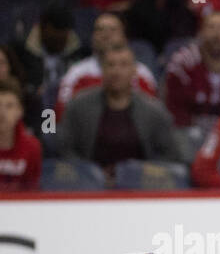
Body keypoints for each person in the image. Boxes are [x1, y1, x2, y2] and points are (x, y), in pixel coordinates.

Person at [60, 43, 181, 178]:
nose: (116, 71)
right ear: (102, 69)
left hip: (140, 188)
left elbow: (169, 155)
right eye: (110, 65)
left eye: (123, 65)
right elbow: (66, 150)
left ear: (134, 70)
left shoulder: (155, 112)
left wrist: (140, 174)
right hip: (88, 187)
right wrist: (90, 174)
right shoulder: (78, 106)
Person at [163, 9, 220, 129]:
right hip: (189, 133)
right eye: (211, 27)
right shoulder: (183, 63)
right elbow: (173, 109)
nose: (217, 34)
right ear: (200, 33)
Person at [56, 11, 158, 118]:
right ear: (92, 37)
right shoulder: (76, 73)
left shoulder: (142, 73)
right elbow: (61, 114)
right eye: (100, 30)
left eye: (113, 30)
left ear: (124, 36)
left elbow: (153, 116)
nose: (106, 35)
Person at [0, 79, 42, 190]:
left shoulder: (32, 147)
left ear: (20, 111)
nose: (2, 112)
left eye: (9, 106)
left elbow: (32, 191)